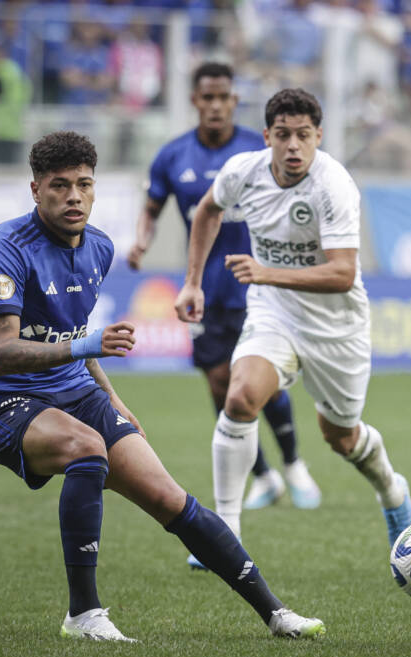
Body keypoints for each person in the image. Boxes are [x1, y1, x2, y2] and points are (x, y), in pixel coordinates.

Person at [0, 130, 324, 642]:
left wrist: (111, 398)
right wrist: (88, 347)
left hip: (75, 389)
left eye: (84, 185)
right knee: (88, 450)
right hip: (2, 400)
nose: (73, 197)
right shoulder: (5, 248)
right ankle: (83, 615)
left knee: (171, 498)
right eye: (59, 186)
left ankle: (276, 613)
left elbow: (69, 336)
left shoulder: (100, 248)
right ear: (35, 190)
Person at [173, 88, 411, 551]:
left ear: (318, 137)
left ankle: (391, 488)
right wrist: (192, 281)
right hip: (274, 311)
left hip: (335, 326)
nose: (292, 146)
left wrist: (267, 271)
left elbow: (344, 273)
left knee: (341, 437)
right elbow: (207, 209)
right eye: (282, 135)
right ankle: (224, 535)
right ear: (267, 136)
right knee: (240, 396)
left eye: (303, 136)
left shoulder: (334, 184)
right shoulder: (243, 172)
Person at [128, 62, 321, 533]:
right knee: (220, 384)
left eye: (224, 97)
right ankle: (263, 475)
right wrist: (141, 241)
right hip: (206, 288)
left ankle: (294, 463)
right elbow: (151, 207)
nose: (215, 105)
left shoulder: (258, 150)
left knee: (261, 378)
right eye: (207, 97)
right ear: (195, 101)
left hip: (259, 283)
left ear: (235, 102)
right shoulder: (173, 155)